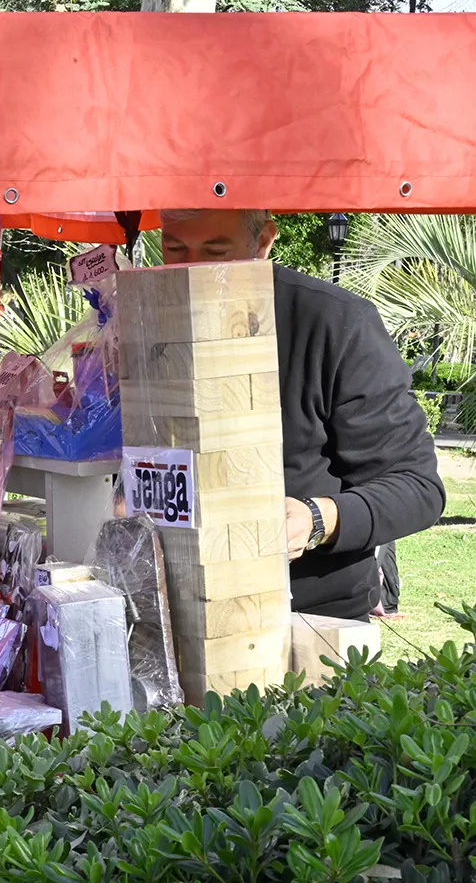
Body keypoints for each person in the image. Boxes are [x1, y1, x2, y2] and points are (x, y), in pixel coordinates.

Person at [158, 209, 444, 619]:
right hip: (169, 603)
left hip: (308, 614)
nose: (192, 268)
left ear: (263, 241)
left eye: (216, 251)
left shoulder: (336, 323)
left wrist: (317, 518)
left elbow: (418, 487)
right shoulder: (143, 316)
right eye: (174, 248)